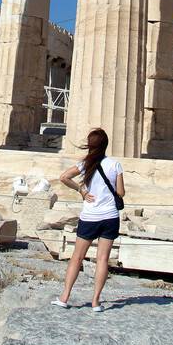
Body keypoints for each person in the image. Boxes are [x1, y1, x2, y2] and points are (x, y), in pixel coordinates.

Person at [52, 128, 124, 312]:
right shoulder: (115, 165)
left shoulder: (85, 164)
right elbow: (121, 193)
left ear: (90, 145)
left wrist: (81, 190)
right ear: (106, 145)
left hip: (90, 217)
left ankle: (64, 297)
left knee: (77, 257)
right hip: (110, 217)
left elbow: (64, 177)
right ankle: (95, 302)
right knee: (102, 259)